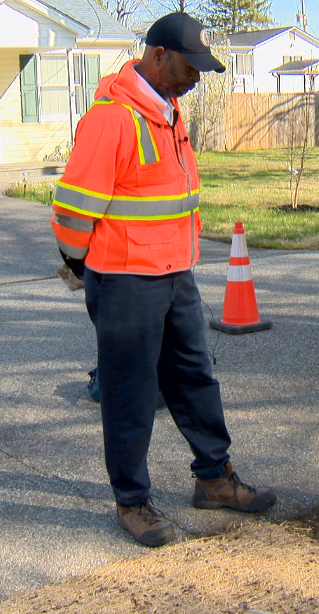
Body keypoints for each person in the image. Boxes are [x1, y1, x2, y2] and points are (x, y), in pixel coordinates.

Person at [50, 11, 276, 548]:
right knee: (130, 393)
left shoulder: (168, 112)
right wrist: (82, 267)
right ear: (158, 55)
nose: (196, 77)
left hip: (176, 273)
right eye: (189, 66)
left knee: (195, 378)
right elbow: (73, 211)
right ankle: (131, 502)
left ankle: (214, 478)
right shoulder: (113, 119)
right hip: (126, 280)